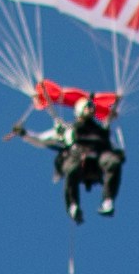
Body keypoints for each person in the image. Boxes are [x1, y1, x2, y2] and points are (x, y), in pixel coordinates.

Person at [13, 92, 126, 222]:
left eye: (91, 107)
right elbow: (41, 140)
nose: (90, 109)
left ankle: (108, 201)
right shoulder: (68, 130)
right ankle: (73, 205)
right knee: (72, 168)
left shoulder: (101, 131)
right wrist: (24, 134)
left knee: (113, 162)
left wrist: (119, 153)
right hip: (77, 158)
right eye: (87, 106)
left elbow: (113, 147)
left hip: (99, 160)